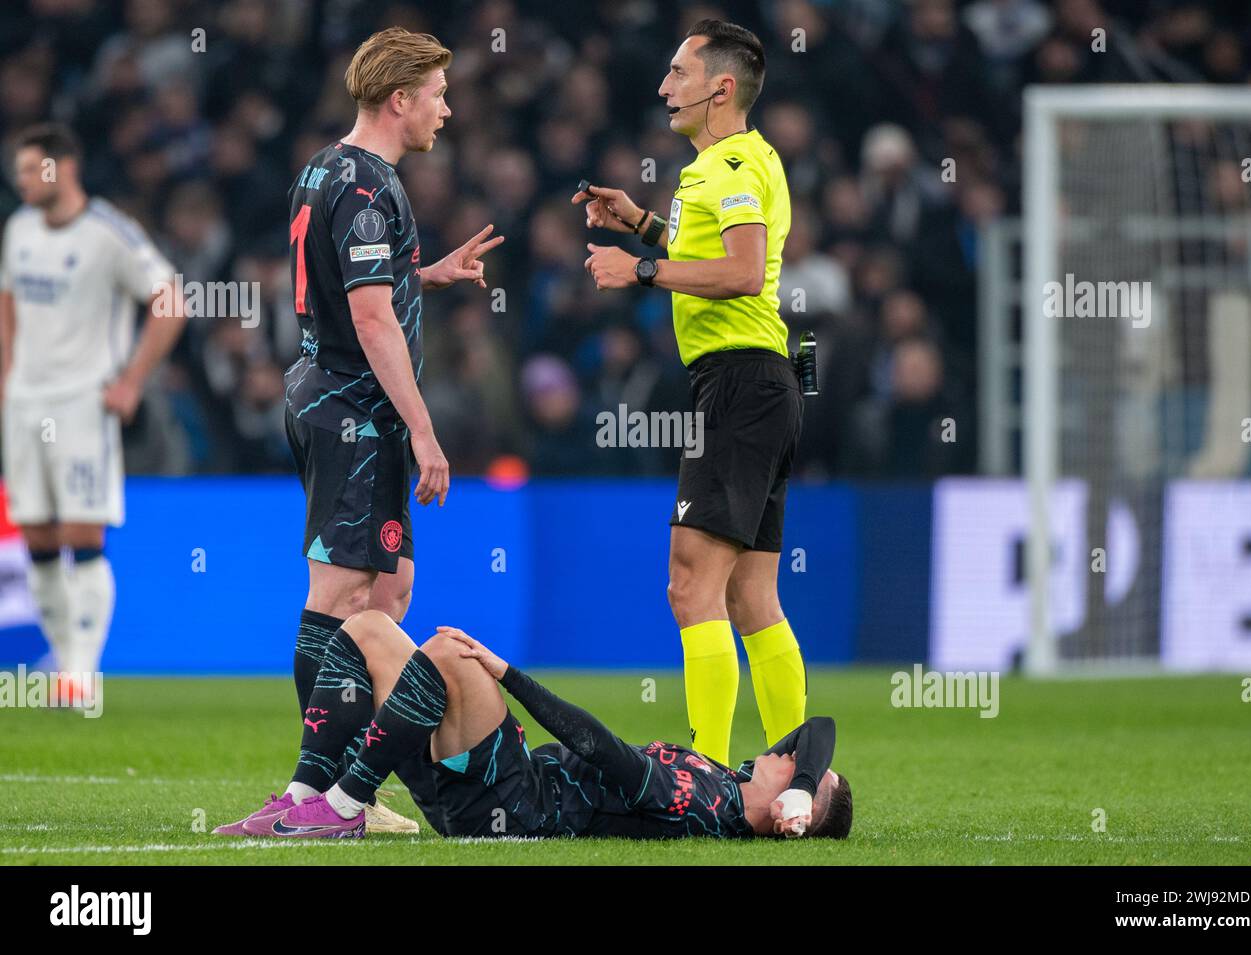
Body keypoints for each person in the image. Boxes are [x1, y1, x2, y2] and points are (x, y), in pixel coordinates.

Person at [282, 27, 502, 831]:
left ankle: (341, 787)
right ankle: (326, 793)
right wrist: (425, 431)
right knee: (342, 594)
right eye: (439, 93)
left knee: (388, 590)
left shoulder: (322, 168)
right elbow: (372, 320)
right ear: (400, 98)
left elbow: (355, 280)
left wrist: (425, 272)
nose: (447, 108)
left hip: (324, 395)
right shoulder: (374, 185)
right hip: (354, 411)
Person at [574, 20, 805, 765]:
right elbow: (713, 253)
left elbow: (741, 270)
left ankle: (703, 772)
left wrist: (638, 271)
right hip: (762, 382)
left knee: (689, 585)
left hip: (739, 384)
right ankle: (792, 770)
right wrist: (642, 226)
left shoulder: (725, 165)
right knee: (751, 597)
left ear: (721, 88)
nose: (664, 87)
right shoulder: (746, 159)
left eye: (679, 73)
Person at [214, 610, 852, 840]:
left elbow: (595, 745)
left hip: (512, 800)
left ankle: (347, 806)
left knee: (450, 656)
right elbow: (816, 727)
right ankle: (305, 799)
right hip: (491, 782)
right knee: (366, 629)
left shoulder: (705, 806)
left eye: (798, 776)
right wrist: (808, 780)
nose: (787, 755)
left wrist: (507, 674)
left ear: (790, 816)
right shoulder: (736, 779)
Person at [0, 122, 183, 703]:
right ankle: (64, 662)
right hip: (24, 403)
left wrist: (131, 380)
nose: (22, 180)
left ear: (64, 168)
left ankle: (81, 669)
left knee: (82, 530)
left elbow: (171, 299)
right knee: (36, 535)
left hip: (82, 402)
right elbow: (7, 303)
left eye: (32, 169)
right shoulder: (20, 229)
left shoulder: (110, 233)